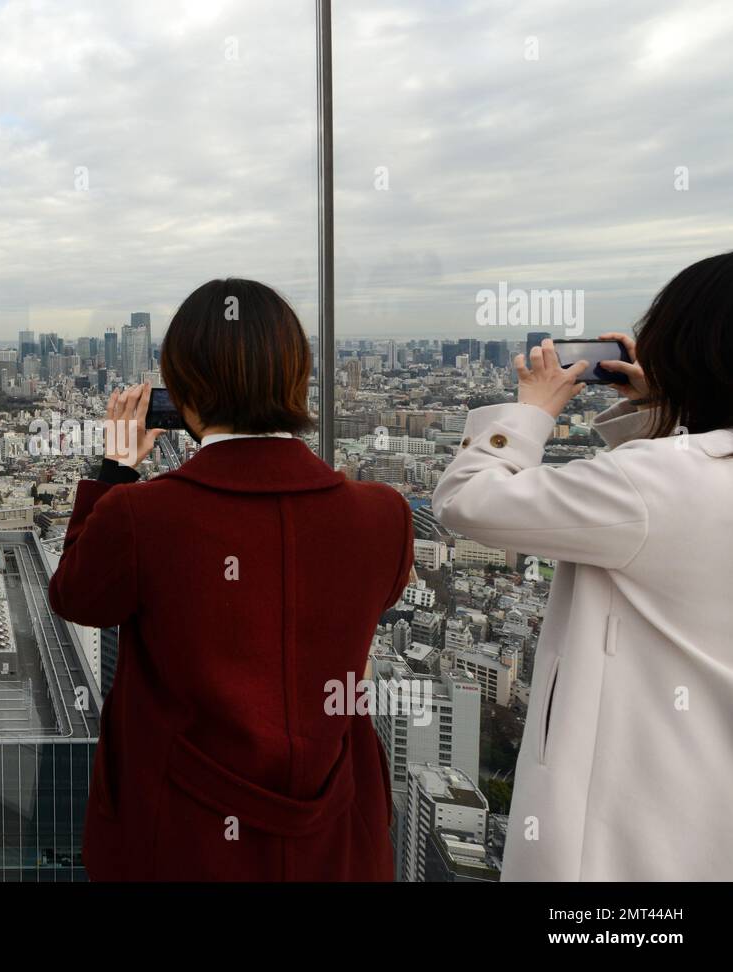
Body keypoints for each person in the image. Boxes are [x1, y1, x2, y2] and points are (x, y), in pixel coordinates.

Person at [49, 279, 413, 881]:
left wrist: (115, 470)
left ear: (184, 387)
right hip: (335, 835)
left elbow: (77, 597)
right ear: (296, 375)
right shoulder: (382, 515)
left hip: (182, 837)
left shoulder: (142, 515)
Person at [432, 252, 733, 880]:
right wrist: (665, 410)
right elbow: (649, 515)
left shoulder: (657, 486)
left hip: (632, 842)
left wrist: (533, 412)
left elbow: (464, 501)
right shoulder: (671, 485)